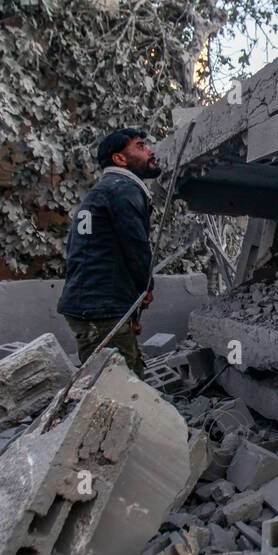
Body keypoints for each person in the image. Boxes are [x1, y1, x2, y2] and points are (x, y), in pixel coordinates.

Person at [57, 128, 161, 375]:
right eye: (140, 146)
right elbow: (137, 247)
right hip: (101, 311)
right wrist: (146, 286)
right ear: (120, 159)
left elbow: (81, 249)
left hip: (91, 307)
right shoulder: (123, 190)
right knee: (120, 388)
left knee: (116, 378)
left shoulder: (102, 191)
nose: (150, 151)